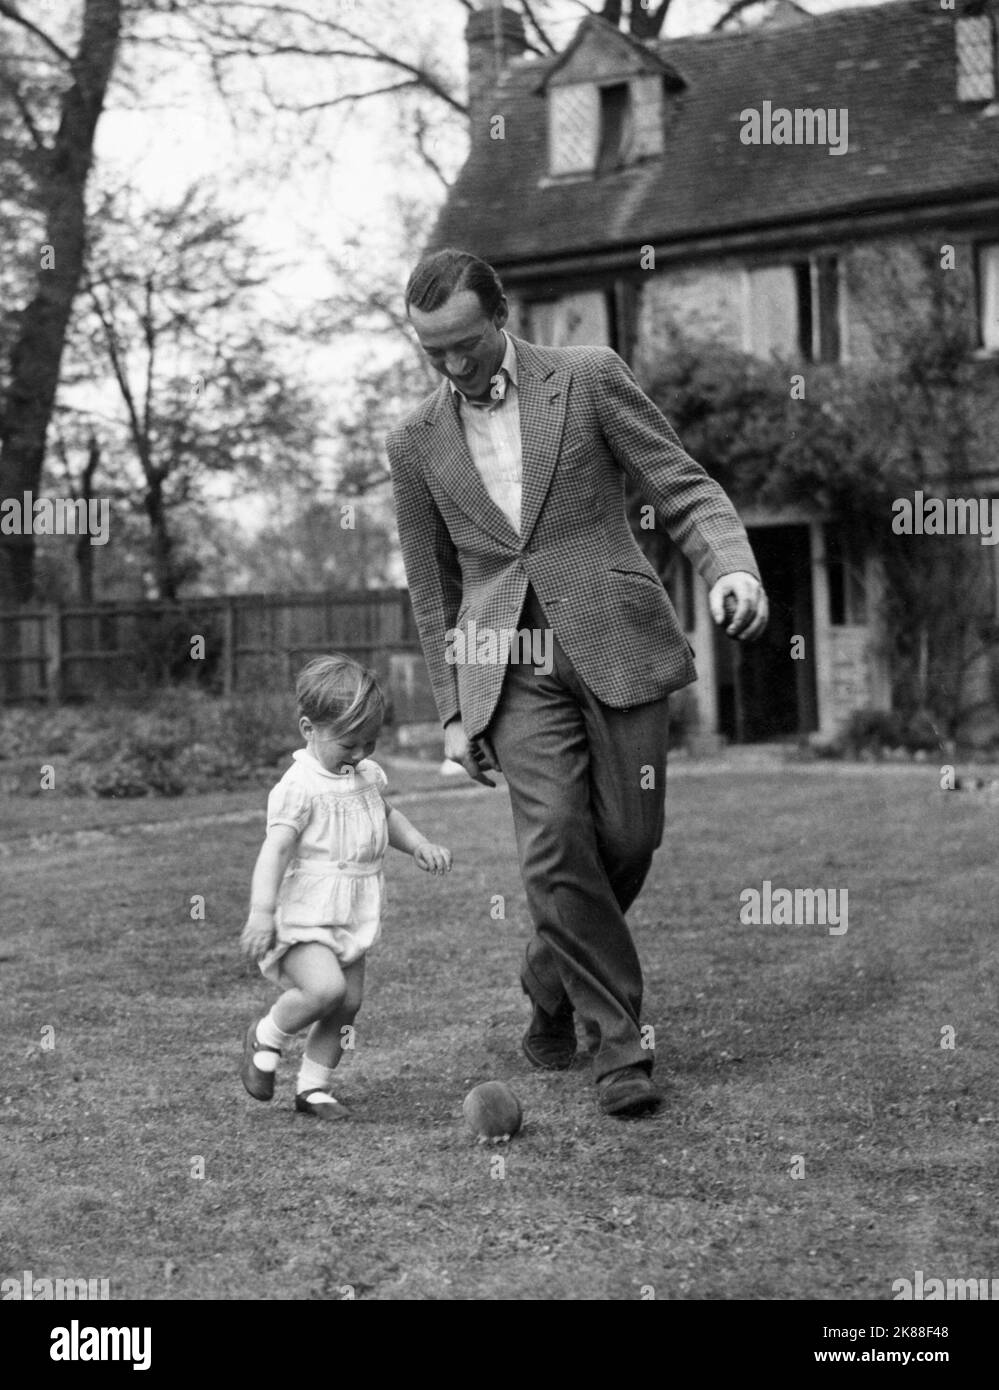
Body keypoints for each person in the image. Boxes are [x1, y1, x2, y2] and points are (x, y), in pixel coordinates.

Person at [387, 247, 768, 1120]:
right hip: (507, 664)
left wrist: (730, 568)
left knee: (627, 842)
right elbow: (431, 581)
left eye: (465, 343)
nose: (452, 365)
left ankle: (546, 975)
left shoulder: (588, 377)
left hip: (619, 639)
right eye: (430, 351)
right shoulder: (413, 441)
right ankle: (619, 1045)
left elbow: (680, 485)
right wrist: (452, 711)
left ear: (502, 314)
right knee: (555, 841)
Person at [239, 654, 452, 1120]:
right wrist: (260, 911)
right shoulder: (299, 787)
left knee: (348, 1002)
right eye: (348, 743)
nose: (359, 754)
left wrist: (417, 844)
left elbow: (386, 817)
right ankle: (266, 1035)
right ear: (308, 729)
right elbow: (274, 850)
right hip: (303, 914)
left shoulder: (367, 777)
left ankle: (312, 1088)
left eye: (369, 743)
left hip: (352, 911)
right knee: (325, 990)